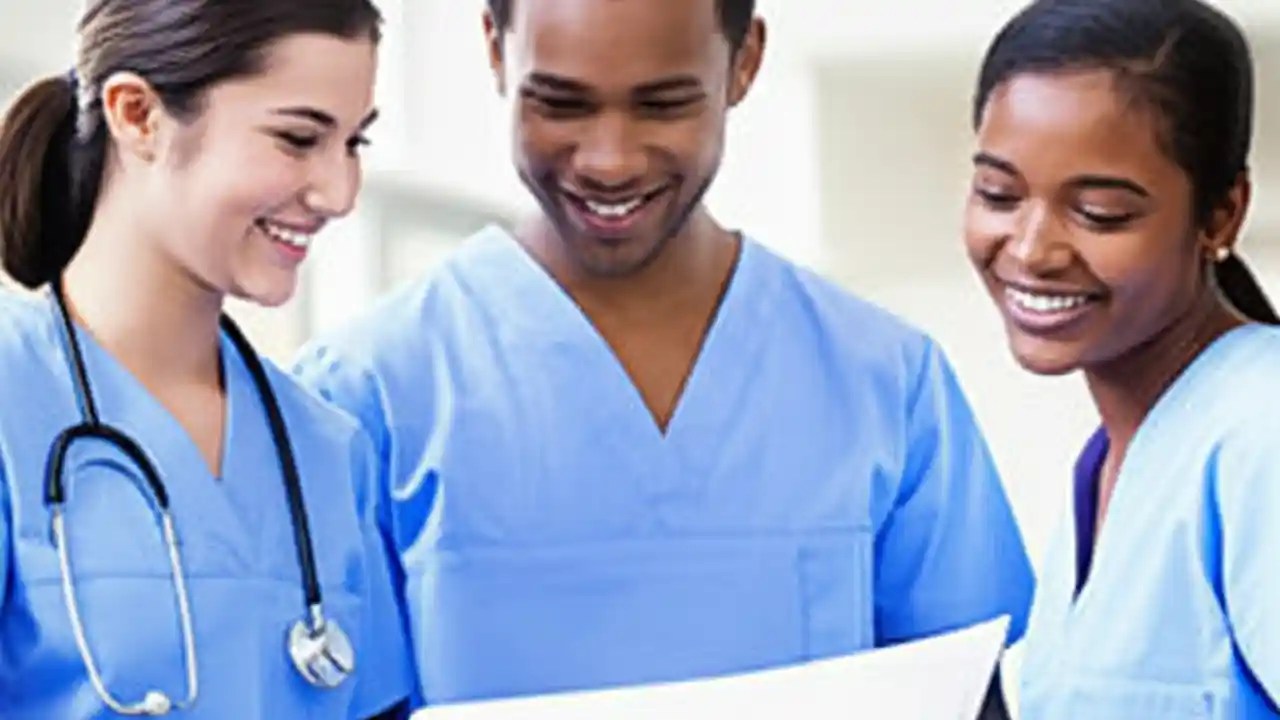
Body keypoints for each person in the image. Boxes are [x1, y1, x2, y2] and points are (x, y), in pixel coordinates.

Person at [294, 0, 1033, 709]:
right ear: (495, 48)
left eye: (663, 105)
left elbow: (976, 686)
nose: (609, 162)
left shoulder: (884, 383)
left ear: (744, 62)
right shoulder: (362, 396)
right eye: (562, 104)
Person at [0, 1, 414, 718]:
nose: (340, 193)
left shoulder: (326, 450)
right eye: (297, 138)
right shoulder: (14, 399)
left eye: (353, 143)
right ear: (138, 115)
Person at [966, 0, 1280, 716]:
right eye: (999, 194)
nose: (1031, 250)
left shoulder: (1262, 430)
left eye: (1099, 213)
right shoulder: (1109, 464)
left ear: (1221, 214)